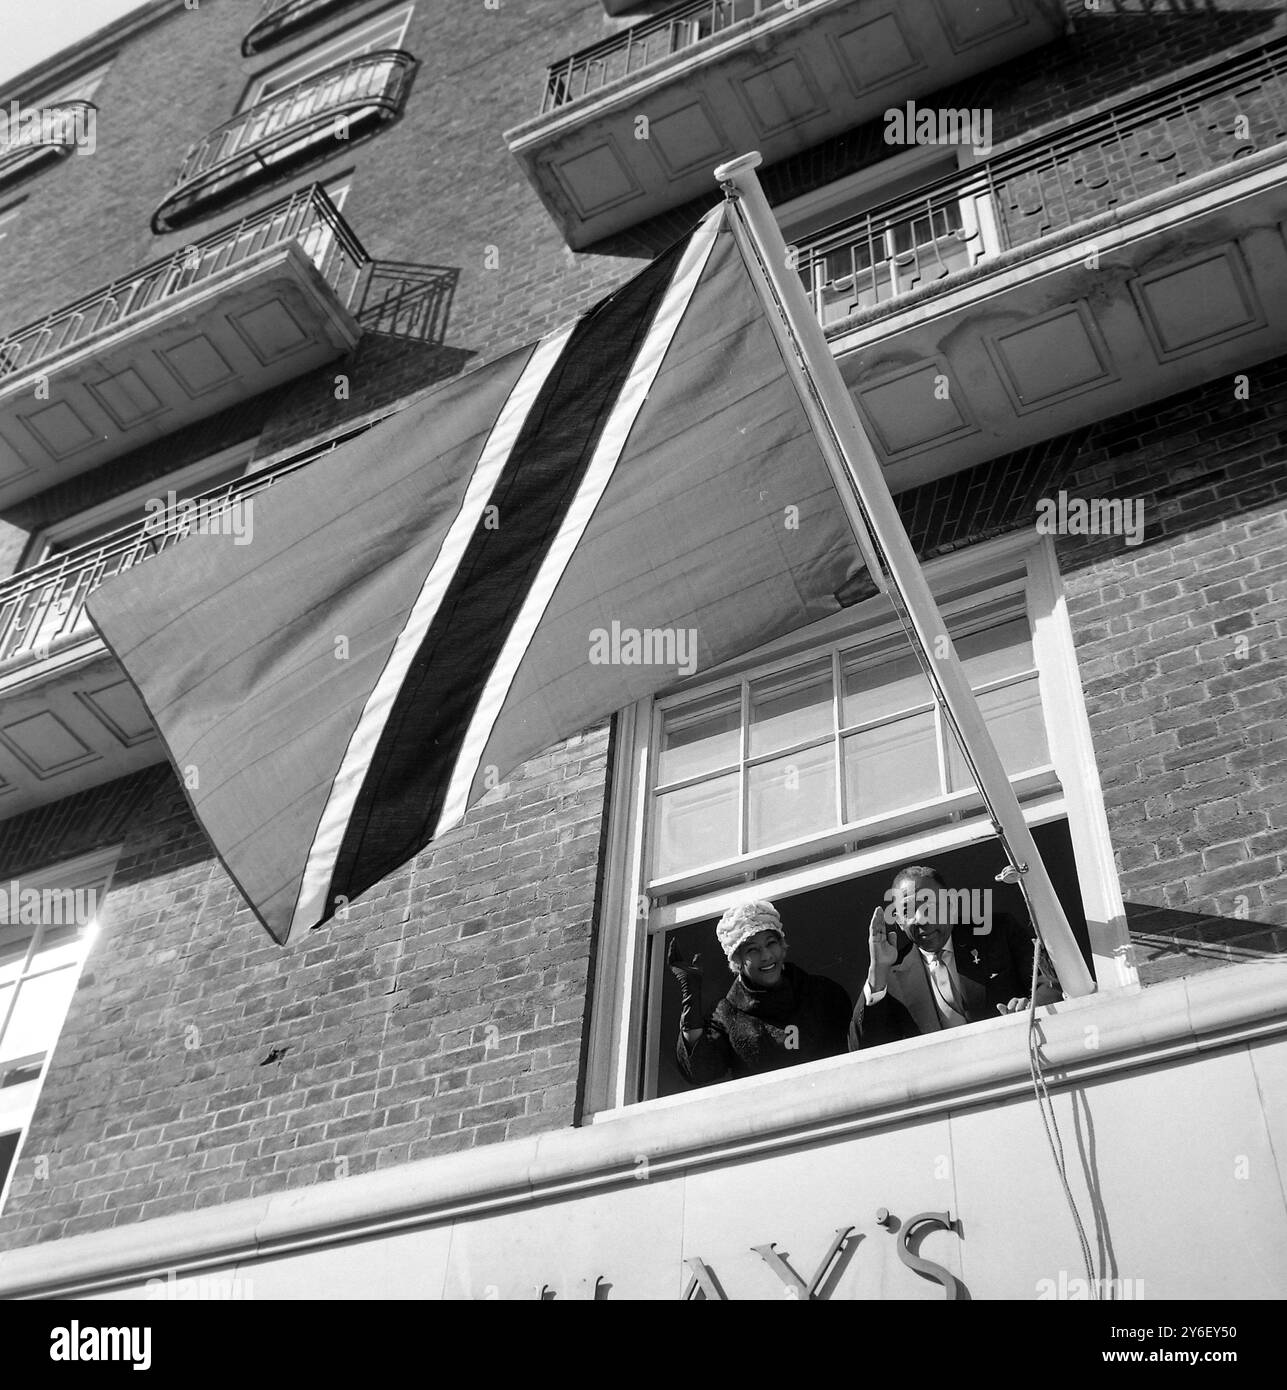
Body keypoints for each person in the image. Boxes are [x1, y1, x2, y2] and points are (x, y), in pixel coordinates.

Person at [848, 864, 1063, 1050]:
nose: (922, 919)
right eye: (909, 910)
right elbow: (862, 1049)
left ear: (951, 904)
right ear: (898, 920)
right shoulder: (891, 977)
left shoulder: (998, 933)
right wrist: (877, 972)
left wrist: (1029, 1008)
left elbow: (1051, 984)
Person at [669, 900, 853, 1085]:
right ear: (737, 960)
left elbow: (856, 1046)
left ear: (782, 947)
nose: (766, 956)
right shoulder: (726, 1015)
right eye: (753, 950)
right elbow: (700, 1071)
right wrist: (690, 998)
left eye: (771, 943)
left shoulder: (822, 992)